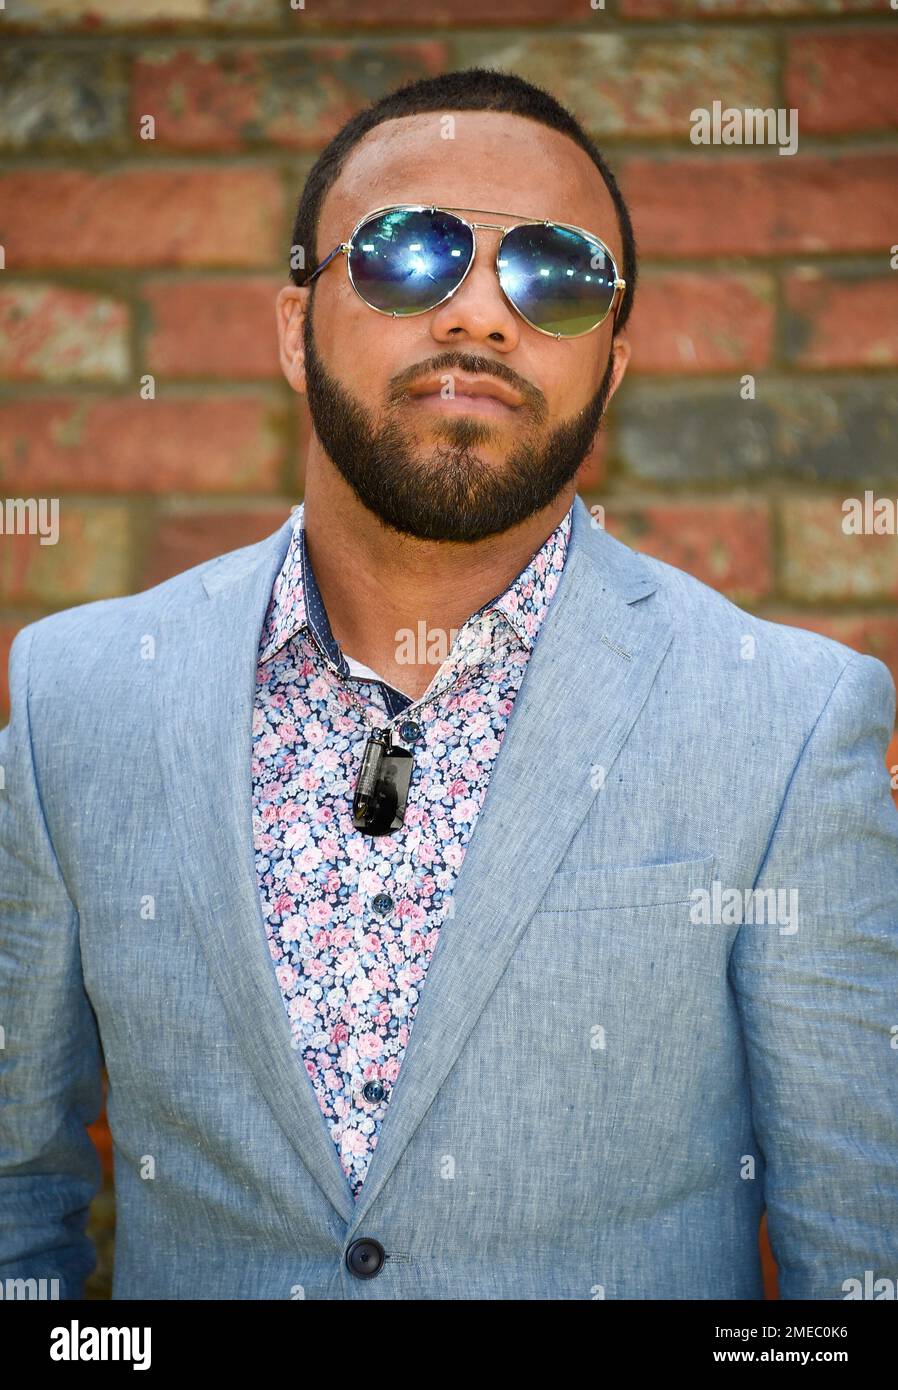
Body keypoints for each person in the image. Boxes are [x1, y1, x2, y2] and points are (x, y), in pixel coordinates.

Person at [1, 68, 896, 1302]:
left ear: (613, 368)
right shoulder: (73, 698)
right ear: (288, 324)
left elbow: (860, 1263)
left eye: (556, 273)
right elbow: (14, 1191)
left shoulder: (789, 724)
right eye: (406, 253)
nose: (477, 313)